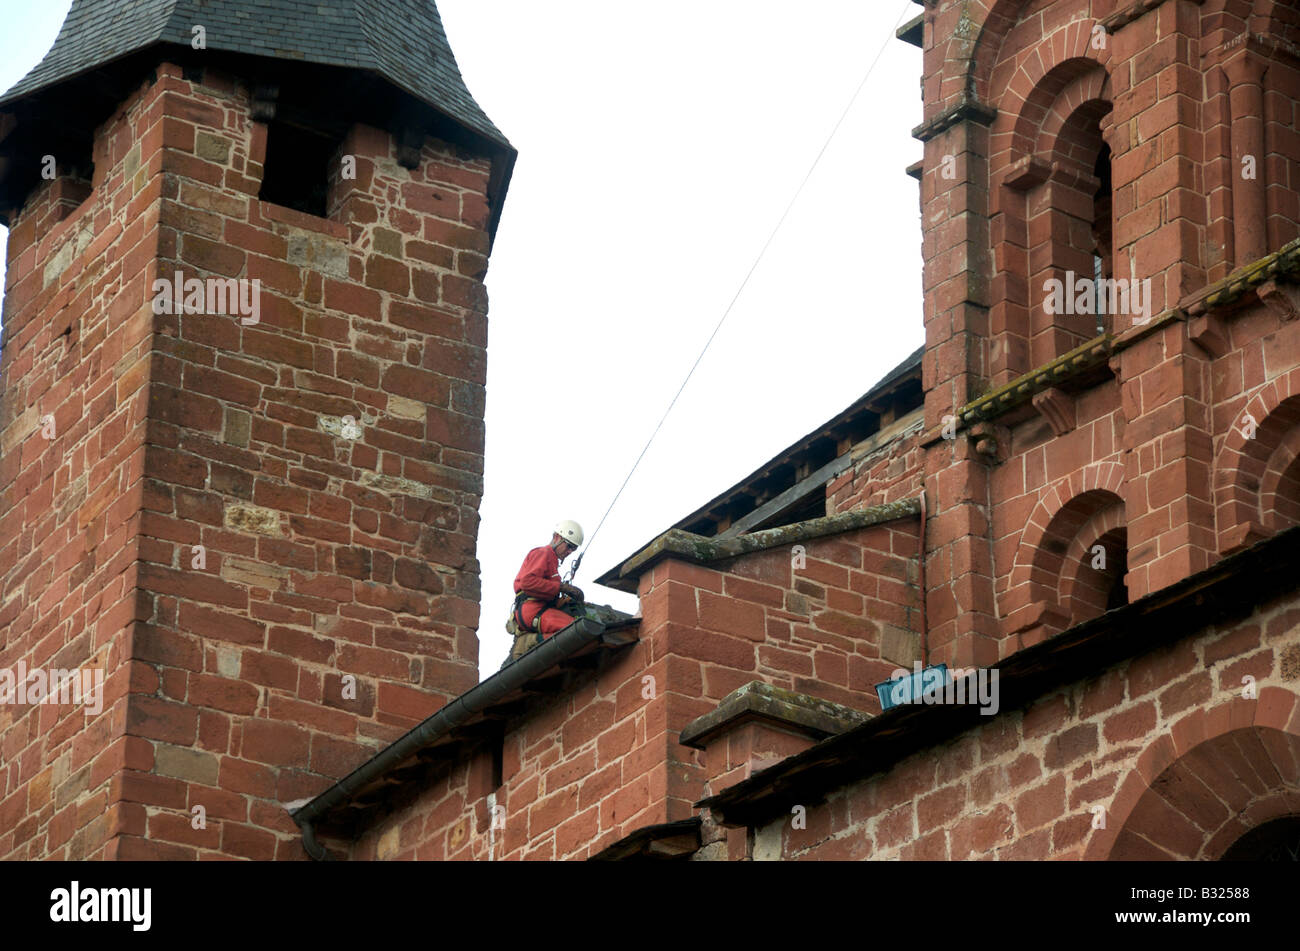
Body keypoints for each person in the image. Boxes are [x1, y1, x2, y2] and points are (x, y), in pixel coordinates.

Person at [504, 520, 585, 666]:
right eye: (569, 546)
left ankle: (536, 645)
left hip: (538, 610)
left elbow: (546, 590)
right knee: (574, 629)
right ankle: (527, 642)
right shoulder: (544, 553)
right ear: (557, 538)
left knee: (576, 629)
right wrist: (561, 588)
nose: (569, 552)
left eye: (573, 549)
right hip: (532, 610)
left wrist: (563, 599)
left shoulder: (552, 562)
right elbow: (528, 582)